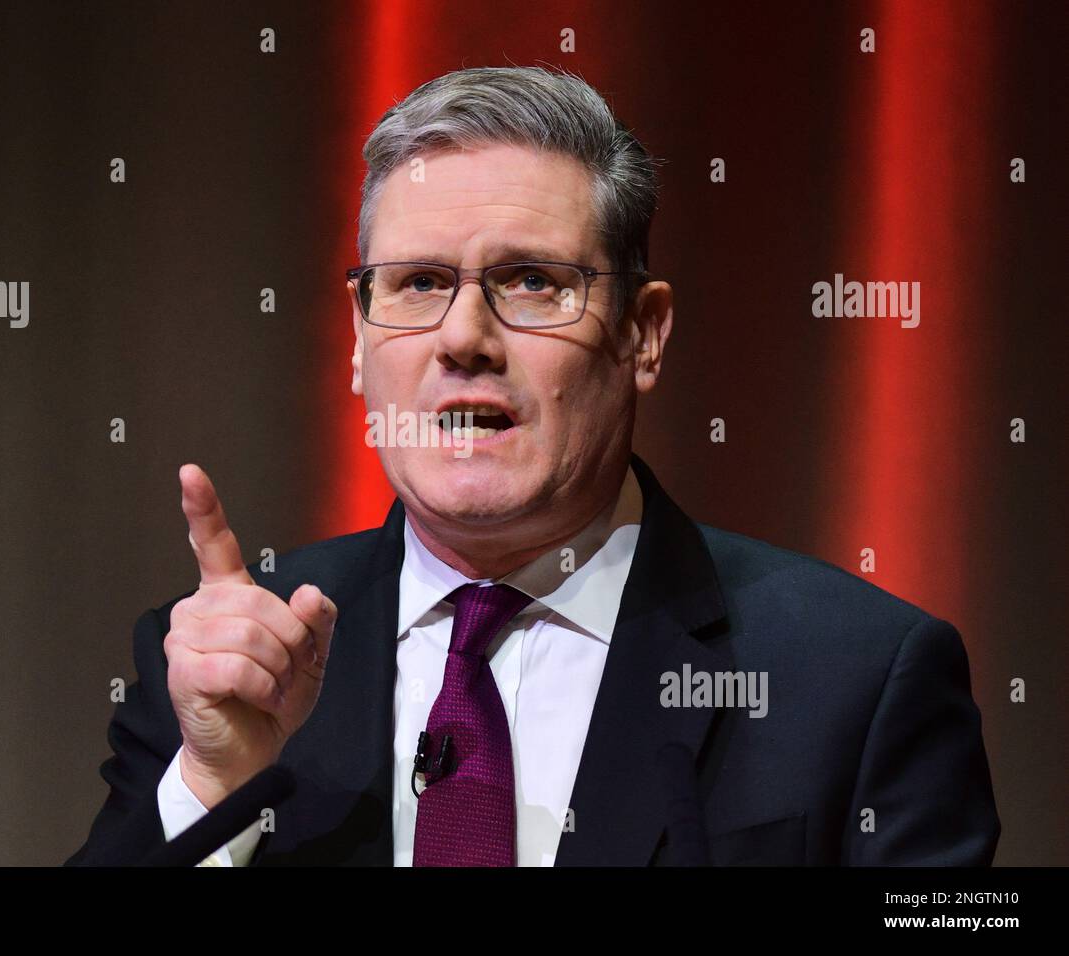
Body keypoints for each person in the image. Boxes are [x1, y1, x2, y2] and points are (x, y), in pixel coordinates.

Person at [66, 65, 999, 866]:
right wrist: (216, 782)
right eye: (420, 283)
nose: (463, 338)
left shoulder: (857, 678)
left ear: (643, 334)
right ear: (357, 342)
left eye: (531, 282)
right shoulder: (220, 663)